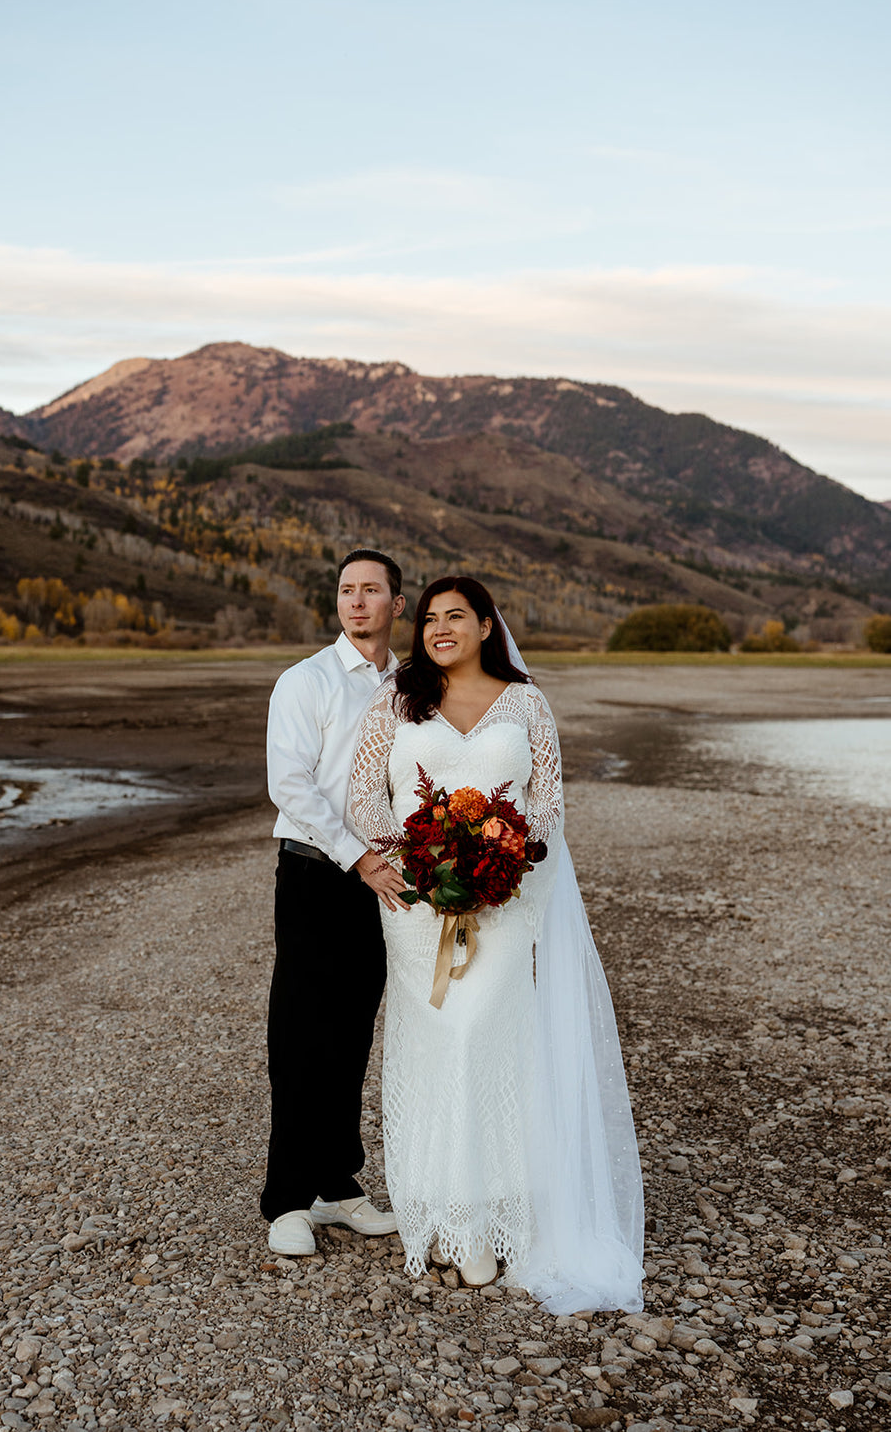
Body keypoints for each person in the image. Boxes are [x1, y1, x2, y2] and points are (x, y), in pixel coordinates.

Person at [347, 576, 644, 1310]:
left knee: (488, 1037)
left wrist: (501, 865)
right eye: (429, 618)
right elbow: (363, 794)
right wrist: (418, 859)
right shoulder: (397, 700)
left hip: (507, 902)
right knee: (433, 1041)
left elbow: (548, 802)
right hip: (417, 905)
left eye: (456, 616)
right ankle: (441, 1217)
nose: (440, 628)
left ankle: (490, 1219)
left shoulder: (527, 703)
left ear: (487, 625)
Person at [261, 548, 409, 1257]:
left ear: (396, 604)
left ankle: (335, 1185)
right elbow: (289, 785)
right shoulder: (306, 681)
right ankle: (287, 1198)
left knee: (353, 1030)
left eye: (371, 590)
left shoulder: (412, 686)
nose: (356, 601)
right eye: (347, 590)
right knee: (299, 1034)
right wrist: (361, 858)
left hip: (383, 882)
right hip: (319, 874)